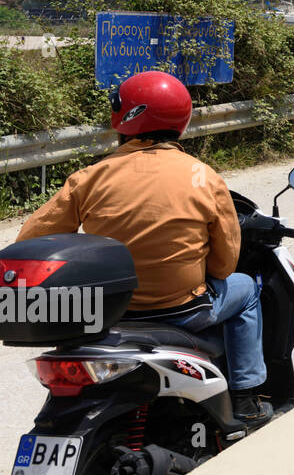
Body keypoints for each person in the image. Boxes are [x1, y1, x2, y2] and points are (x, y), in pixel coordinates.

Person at [15, 71, 274, 426]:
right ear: (180, 119)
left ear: (123, 117)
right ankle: (246, 396)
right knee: (246, 288)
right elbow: (223, 267)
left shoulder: (89, 178)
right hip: (182, 312)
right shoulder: (203, 176)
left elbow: (30, 242)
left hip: (112, 315)